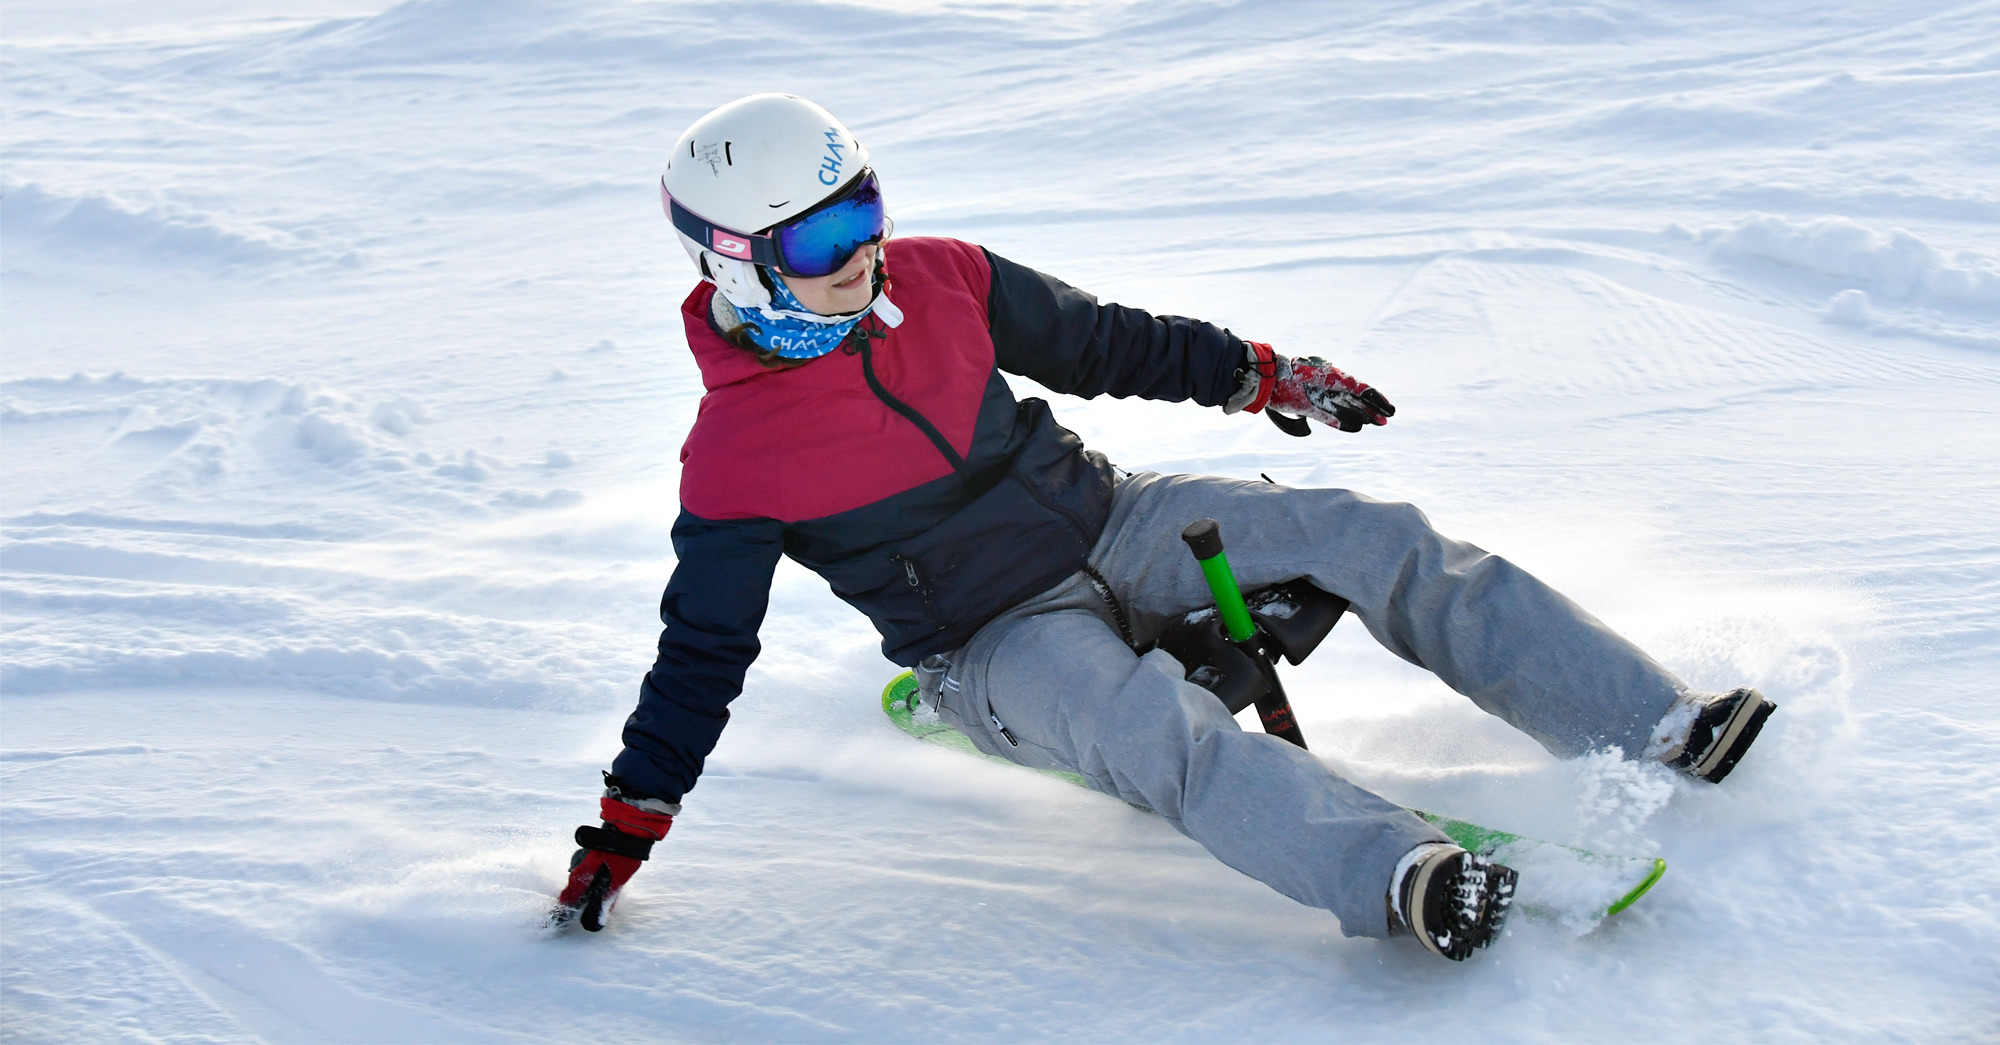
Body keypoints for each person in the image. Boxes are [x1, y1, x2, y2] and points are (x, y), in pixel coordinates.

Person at [549, 94, 1777, 961]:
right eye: (820, 238)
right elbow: (700, 656)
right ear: (737, 260)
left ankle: (1652, 720)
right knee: (1158, 731)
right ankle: (1397, 877)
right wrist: (628, 822)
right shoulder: (736, 457)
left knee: (1366, 532)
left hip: (1113, 518)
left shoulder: (940, 278)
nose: (861, 251)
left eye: (862, 205)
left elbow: (1101, 342)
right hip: (987, 640)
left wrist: (1266, 376)